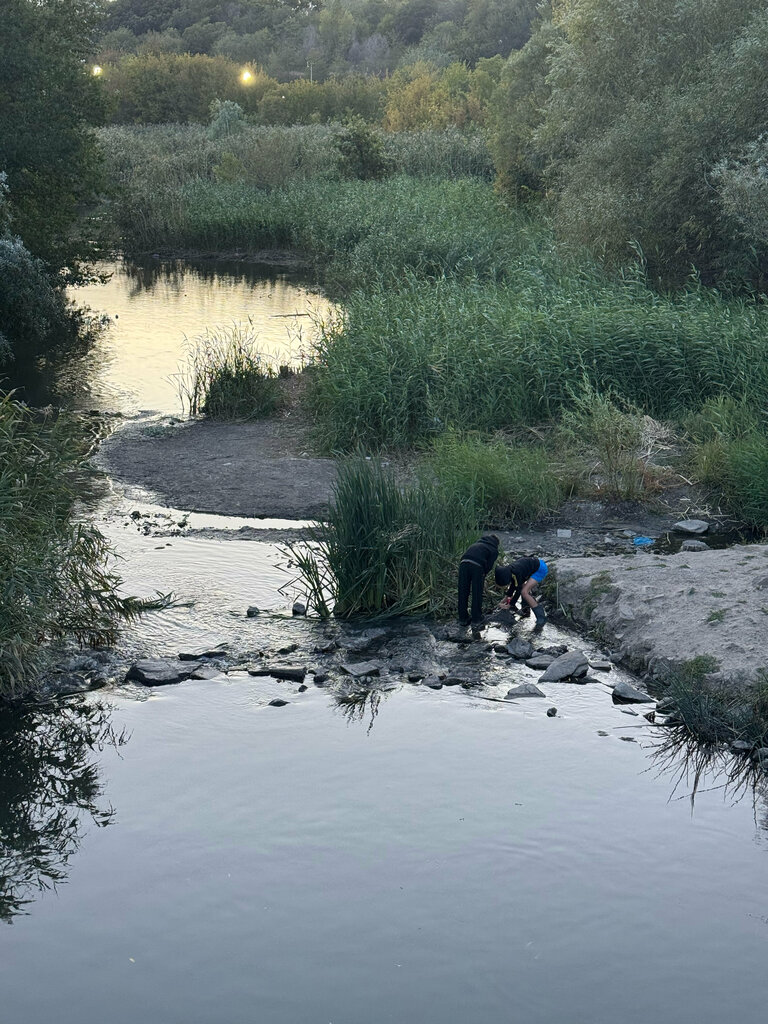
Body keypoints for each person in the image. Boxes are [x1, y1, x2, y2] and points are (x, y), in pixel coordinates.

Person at [458, 534, 500, 632]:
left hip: (463, 563)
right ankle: (476, 619)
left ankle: (463, 619)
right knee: (476, 592)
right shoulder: (493, 549)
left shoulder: (477, 544)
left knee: (463, 591)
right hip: (477, 565)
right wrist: (483, 575)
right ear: (496, 543)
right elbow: (489, 566)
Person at [495, 556, 548, 626]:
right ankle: (526, 609)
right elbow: (514, 585)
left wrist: (510, 605)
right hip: (531, 566)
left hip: (540, 569)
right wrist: (505, 599)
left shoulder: (516, 572)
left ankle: (541, 617)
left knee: (524, 592)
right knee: (523, 586)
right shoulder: (509, 571)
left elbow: (518, 590)